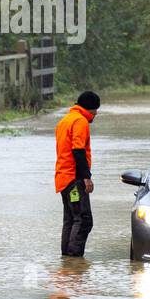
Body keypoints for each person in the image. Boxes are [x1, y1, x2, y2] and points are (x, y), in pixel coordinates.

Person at [55, 90, 100, 257]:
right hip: (74, 180)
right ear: (90, 108)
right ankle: (74, 261)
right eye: (96, 110)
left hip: (63, 178)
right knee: (83, 220)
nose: (96, 114)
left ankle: (66, 261)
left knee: (71, 220)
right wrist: (87, 177)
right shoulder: (80, 121)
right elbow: (78, 151)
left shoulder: (65, 120)